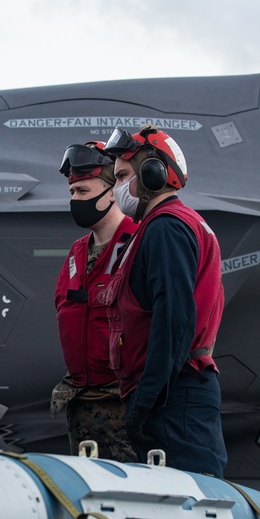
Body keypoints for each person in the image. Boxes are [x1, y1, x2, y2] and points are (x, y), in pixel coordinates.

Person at [99, 125, 227, 477]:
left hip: (175, 395)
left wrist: (147, 396)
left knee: (190, 503)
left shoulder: (165, 228)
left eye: (124, 175)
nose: (118, 188)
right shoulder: (172, 225)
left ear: (152, 174)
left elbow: (174, 318)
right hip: (178, 390)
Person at [51, 141, 138, 462]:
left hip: (124, 404)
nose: (75, 200)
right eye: (72, 193)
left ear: (113, 191)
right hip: (82, 404)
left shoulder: (139, 242)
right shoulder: (77, 253)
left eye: (83, 192)